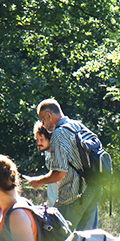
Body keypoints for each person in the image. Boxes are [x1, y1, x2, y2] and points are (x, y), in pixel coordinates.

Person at [28, 99, 103, 231]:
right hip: (94, 189)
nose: (43, 124)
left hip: (75, 194)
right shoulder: (77, 125)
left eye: (42, 120)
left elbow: (60, 173)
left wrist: (39, 181)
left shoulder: (58, 133)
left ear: (49, 115)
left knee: (60, 237)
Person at [30, 121, 58, 207]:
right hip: (53, 202)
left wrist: (40, 181)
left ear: (49, 139)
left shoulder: (58, 153)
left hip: (62, 203)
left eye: (41, 139)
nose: (39, 143)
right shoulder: (47, 153)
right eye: (37, 140)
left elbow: (59, 176)